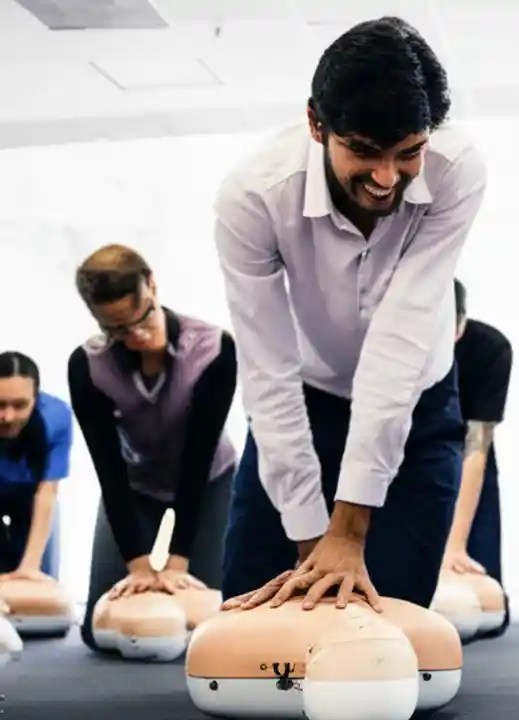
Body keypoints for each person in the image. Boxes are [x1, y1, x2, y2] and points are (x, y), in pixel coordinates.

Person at [212, 16, 486, 612]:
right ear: (317, 124)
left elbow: (400, 343)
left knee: (385, 636)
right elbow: (267, 369)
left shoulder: (457, 169)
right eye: (365, 153)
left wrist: (350, 531)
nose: (387, 178)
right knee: (246, 625)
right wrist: (318, 541)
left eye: (408, 153)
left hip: (418, 405)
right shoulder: (253, 196)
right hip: (304, 402)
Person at [65, 245, 237, 652]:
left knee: (214, 619)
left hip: (209, 481)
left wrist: (177, 562)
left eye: (141, 318)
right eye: (118, 330)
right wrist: (139, 566)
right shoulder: (88, 365)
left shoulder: (213, 349)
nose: (137, 336)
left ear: (152, 286)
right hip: (134, 484)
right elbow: (107, 467)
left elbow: (197, 460)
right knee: (98, 627)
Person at [444, 279, 514, 586]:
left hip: (469, 448)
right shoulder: (403, 344)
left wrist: (456, 546)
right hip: (412, 451)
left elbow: (477, 449)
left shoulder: (491, 349)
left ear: (462, 321)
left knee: (483, 583)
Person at [0, 352, 70, 583]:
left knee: (37, 577)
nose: (8, 417)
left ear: (36, 398)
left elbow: (47, 493)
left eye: (20, 405)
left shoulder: (56, 417)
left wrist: (30, 566)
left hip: (32, 497)